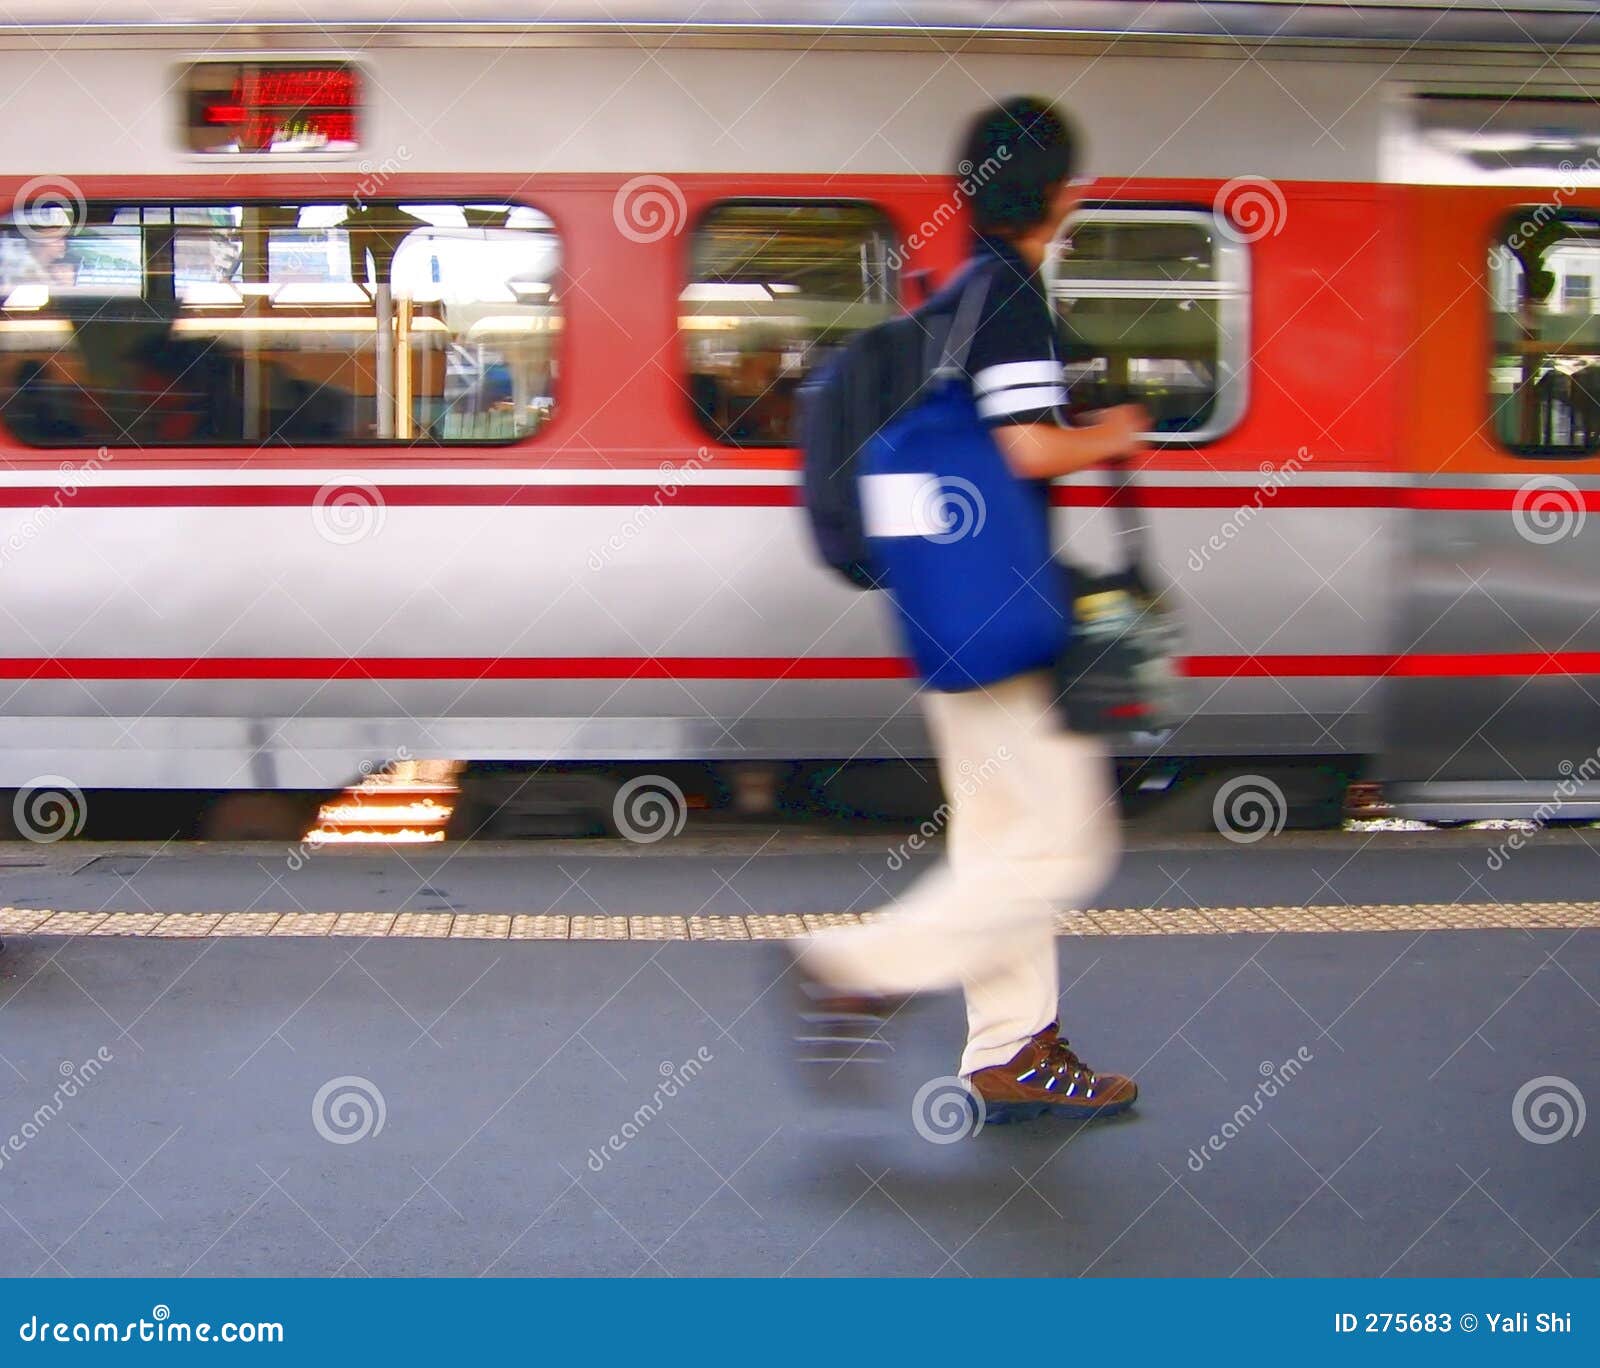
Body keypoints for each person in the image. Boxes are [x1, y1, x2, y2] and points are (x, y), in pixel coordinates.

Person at [793, 97, 1149, 1124]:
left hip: (951, 615)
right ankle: (850, 965)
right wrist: (1116, 430)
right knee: (1068, 848)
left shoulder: (959, 295)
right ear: (1060, 195)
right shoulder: (1010, 295)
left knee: (1002, 850)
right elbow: (1027, 447)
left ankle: (1009, 1049)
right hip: (1007, 618)